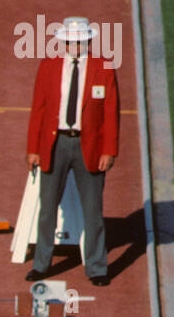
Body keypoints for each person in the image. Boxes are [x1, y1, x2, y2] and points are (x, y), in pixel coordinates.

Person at [25, 16, 120, 287]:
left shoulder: (104, 67)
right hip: (55, 144)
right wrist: (33, 149)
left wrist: (109, 150)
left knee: (93, 210)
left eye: (81, 40)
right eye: (71, 40)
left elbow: (111, 114)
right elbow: (38, 110)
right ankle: (42, 264)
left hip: (89, 147)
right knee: (47, 209)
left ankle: (97, 267)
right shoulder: (49, 66)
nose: (76, 45)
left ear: (88, 41)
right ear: (64, 41)